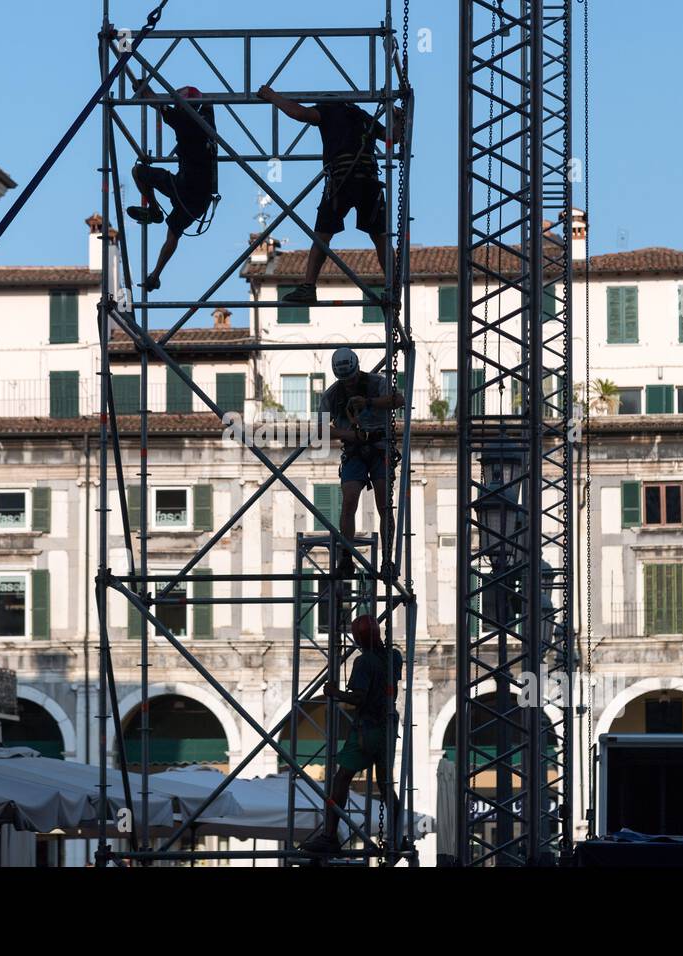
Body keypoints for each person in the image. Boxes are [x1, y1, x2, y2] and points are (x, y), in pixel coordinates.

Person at [256, 85, 403, 304]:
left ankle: (308, 286)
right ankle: (392, 288)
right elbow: (394, 138)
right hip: (368, 181)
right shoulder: (360, 115)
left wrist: (272, 96)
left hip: (341, 181)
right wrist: (398, 118)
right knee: (380, 236)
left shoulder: (329, 110)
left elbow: (300, 113)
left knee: (322, 236)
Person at [301, 614, 404, 856]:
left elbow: (359, 697)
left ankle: (329, 836)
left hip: (367, 729)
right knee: (386, 784)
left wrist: (335, 692)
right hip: (388, 726)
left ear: (358, 638)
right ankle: (398, 835)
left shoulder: (363, 662)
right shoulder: (394, 656)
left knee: (341, 779)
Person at [319, 347, 404, 578]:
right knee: (348, 502)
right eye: (344, 380)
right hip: (354, 449)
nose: (349, 384)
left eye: (352, 378)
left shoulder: (377, 383)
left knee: (384, 505)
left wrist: (369, 402)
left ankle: (387, 560)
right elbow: (321, 428)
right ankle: (346, 558)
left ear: (358, 370)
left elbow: (399, 399)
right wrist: (350, 436)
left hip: (379, 448)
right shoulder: (332, 396)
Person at [126, 85, 218, 292]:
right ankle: (155, 275)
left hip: (184, 187)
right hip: (201, 199)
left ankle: (155, 211)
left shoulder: (184, 121)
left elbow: (155, 102)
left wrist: (142, 87)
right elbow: (208, 100)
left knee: (138, 172)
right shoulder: (207, 119)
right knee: (174, 233)